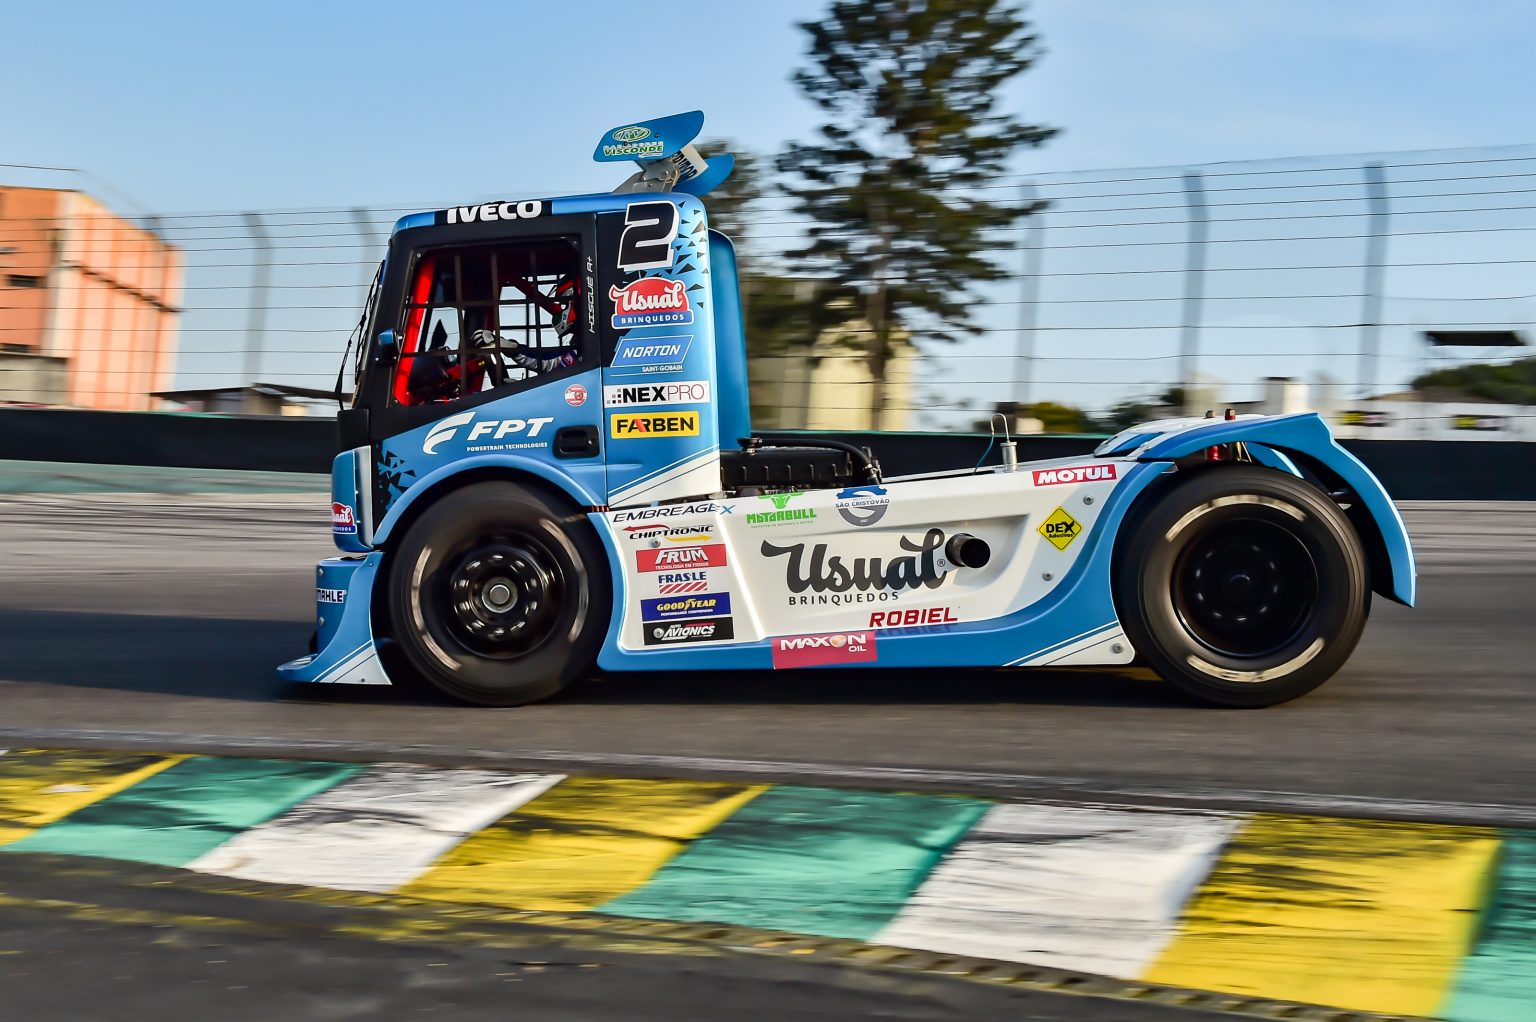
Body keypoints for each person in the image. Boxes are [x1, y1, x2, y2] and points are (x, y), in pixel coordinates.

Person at [471, 275, 580, 374]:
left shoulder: (590, 346)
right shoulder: (580, 348)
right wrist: (512, 348)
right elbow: (547, 361)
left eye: (564, 304)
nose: (560, 310)